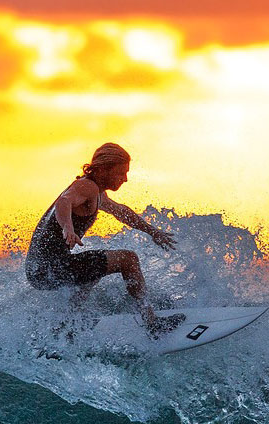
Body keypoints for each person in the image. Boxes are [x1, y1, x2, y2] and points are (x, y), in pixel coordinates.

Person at [25, 142, 185, 335]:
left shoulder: (97, 193)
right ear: (102, 169)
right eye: (120, 173)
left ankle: (66, 328)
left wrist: (152, 231)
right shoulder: (86, 187)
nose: (125, 179)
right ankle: (152, 323)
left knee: (95, 269)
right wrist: (67, 227)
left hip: (40, 271)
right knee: (128, 259)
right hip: (50, 268)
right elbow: (64, 201)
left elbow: (121, 212)